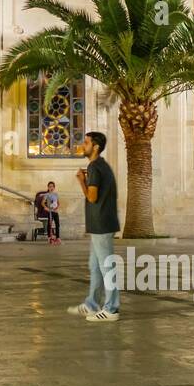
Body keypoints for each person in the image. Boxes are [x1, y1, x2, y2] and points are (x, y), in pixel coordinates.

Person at [68, 132, 121, 322]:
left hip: (102, 225)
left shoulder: (95, 168)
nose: (83, 145)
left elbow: (92, 197)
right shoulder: (100, 166)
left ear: (96, 147)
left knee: (106, 267)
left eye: (87, 142)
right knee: (95, 266)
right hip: (100, 224)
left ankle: (112, 308)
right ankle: (92, 303)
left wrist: (81, 180)